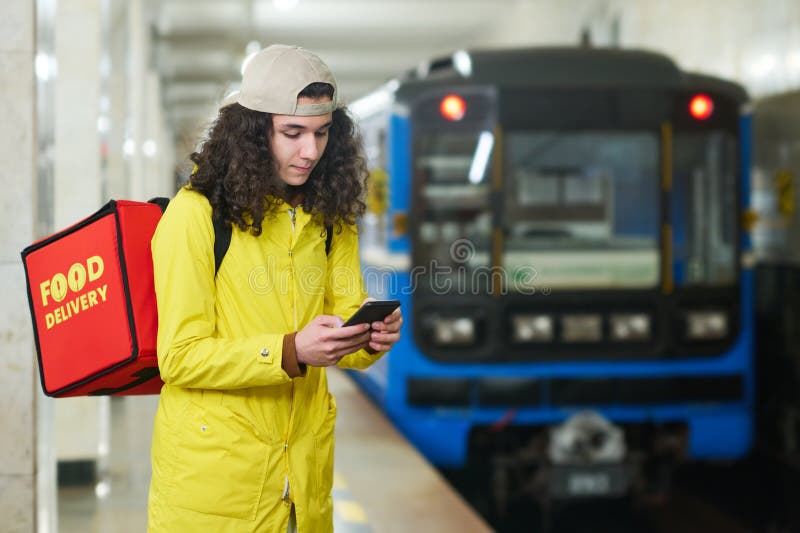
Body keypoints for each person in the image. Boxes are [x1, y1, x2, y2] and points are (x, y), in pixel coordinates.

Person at [148, 44, 402, 532]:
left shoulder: (330, 217)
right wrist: (291, 351)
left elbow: (345, 320)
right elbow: (179, 356)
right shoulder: (195, 217)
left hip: (303, 490)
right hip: (216, 493)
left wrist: (369, 335)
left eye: (322, 133)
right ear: (252, 133)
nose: (311, 150)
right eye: (293, 133)